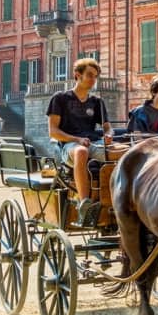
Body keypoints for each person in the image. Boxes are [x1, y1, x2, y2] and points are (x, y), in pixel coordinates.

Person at [47, 57, 111, 220]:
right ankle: (84, 202)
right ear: (77, 75)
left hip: (94, 143)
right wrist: (77, 140)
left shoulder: (97, 102)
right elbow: (53, 131)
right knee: (81, 151)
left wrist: (109, 135)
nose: (93, 80)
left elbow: (107, 127)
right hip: (68, 147)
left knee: (123, 152)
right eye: (89, 75)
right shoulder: (60, 98)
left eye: (95, 76)